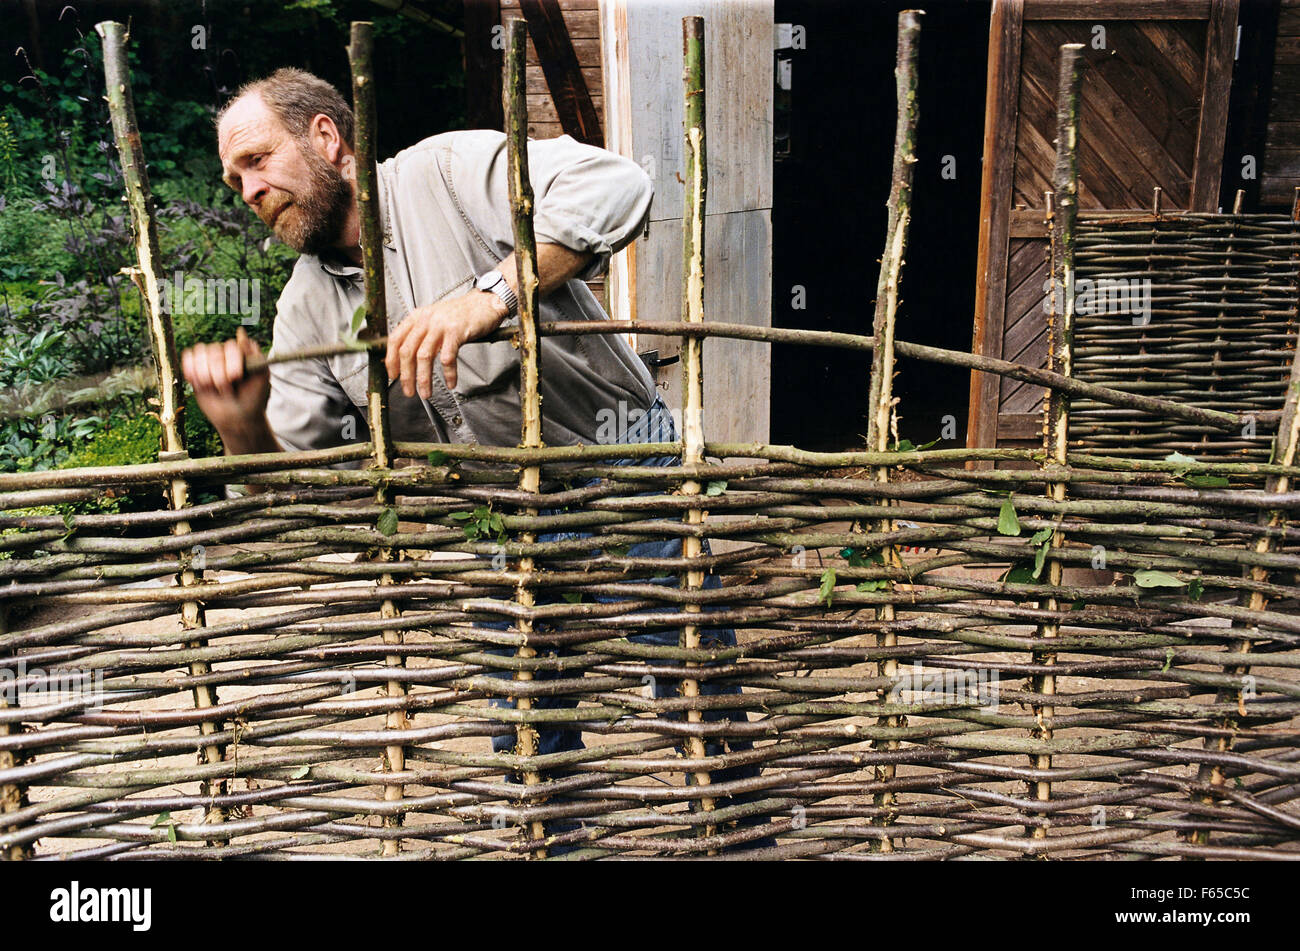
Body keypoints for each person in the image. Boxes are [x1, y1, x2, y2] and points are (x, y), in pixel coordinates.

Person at [181, 69, 770, 852]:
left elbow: (620, 186)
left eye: (257, 160)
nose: (247, 189)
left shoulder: (448, 174)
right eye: (234, 179)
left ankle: (740, 838)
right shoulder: (305, 306)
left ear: (326, 137)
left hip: (622, 457)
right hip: (499, 511)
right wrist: (242, 428)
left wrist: (490, 294)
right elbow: (302, 490)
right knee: (530, 725)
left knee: (688, 672)